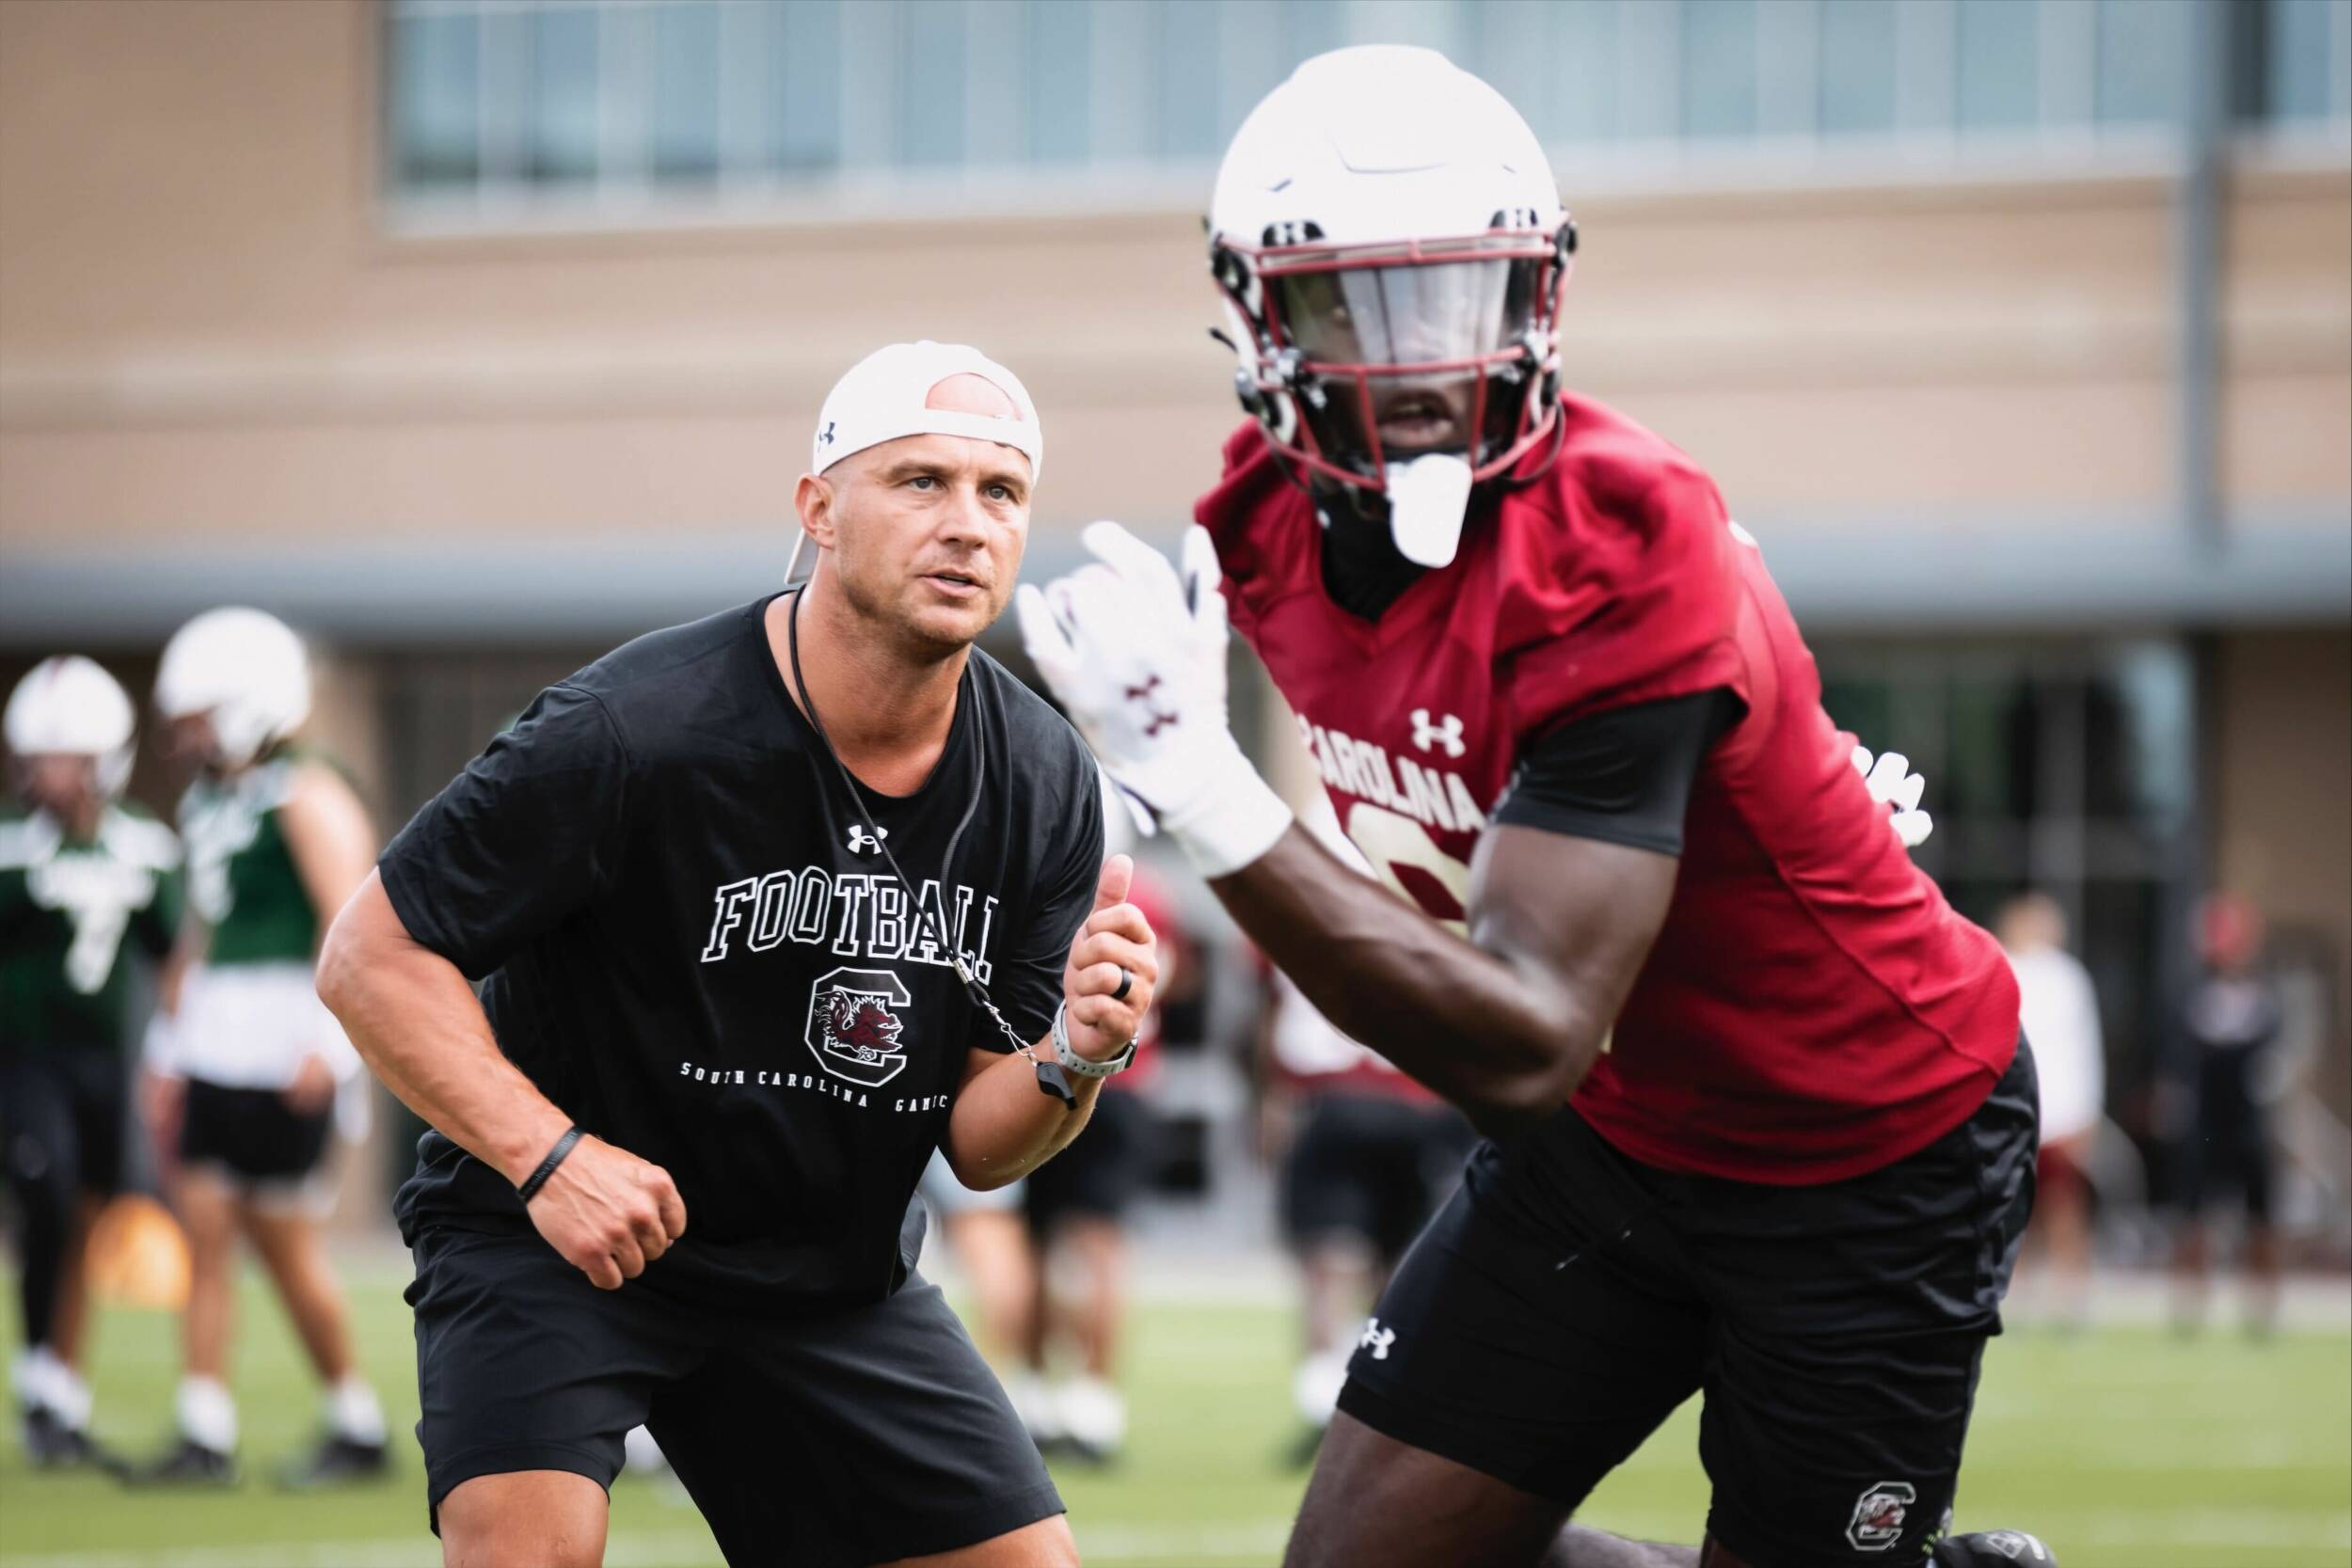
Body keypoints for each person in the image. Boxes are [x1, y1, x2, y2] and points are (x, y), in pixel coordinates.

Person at [1019, 47, 2053, 1568]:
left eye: (1461, 298)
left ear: (1540, 296)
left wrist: (1202, 782)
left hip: (1860, 1142)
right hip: (1618, 1135)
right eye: (1353, 306)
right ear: (1256, 315)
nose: (1419, 361)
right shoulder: (1255, 527)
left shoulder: (1627, 536)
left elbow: (1522, 1040)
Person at [315, 340, 1160, 1568]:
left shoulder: (1040, 775)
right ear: (818, 509)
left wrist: (1074, 1056)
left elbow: (980, 1143)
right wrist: (546, 1156)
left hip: (827, 1272)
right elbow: (370, 954)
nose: (968, 523)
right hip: (558, 1231)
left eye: (1002, 491)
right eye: (920, 481)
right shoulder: (636, 725)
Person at [135, 608, 389, 1487]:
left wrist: (332, 1045)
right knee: (201, 1232)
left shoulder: (308, 790)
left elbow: (353, 920)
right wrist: (166, 1046)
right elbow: (197, 937)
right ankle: (204, 1426)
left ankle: (356, 1419)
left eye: (205, 711)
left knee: (284, 1248)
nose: (192, 731)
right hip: (217, 1047)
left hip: (288, 1047)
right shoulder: (214, 798)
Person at [1, 657, 181, 1467]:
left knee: (86, 1212)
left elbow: (173, 951)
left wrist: (169, 1051)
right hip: (23, 1058)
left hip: (105, 1061)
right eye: (40, 756)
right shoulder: (11, 847)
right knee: (47, 1188)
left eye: (67, 755)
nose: (50, 772)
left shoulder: (143, 845)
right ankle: (39, 1371)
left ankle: (60, 1392)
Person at [1016, 797, 1177, 1465]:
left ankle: (1039, 1394)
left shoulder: (1031, 873)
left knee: (1040, 1243)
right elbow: (1164, 984)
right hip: (1118, 1078)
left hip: (1046, 1070)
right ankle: (1092, 1402)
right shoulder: (1149, 894)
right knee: (1096, 1244)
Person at [2170, 891, 2284, 1337]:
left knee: (2261, 1217)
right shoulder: (2188, 996)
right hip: (2203, 1121)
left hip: (2249, 1121)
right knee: (2192, 1216)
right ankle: (2188, 1306)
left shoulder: (2264, 999)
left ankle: (2263, 1309)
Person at [1996, 893, 2105, 1328]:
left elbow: (2084, 1048)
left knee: (2063, 1207)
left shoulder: (2068, 977)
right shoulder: (2002, 967)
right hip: (2014, 1110)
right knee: (2012, 1210)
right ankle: (2014, 1294)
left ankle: (2070, 1294)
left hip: (2061, 1113)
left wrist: (2087, 1113)